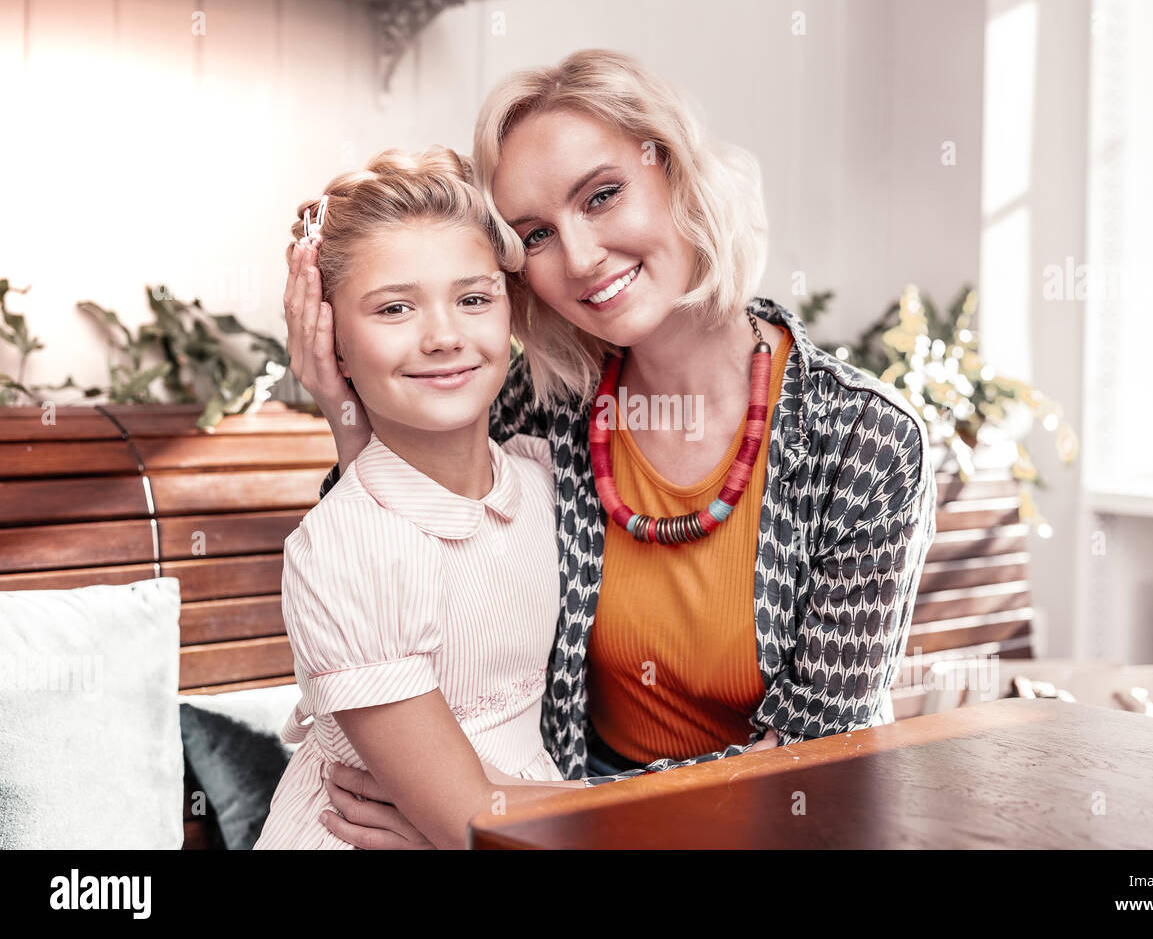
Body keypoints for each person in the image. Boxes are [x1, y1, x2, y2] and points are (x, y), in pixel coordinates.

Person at [289, 49, 937, 849]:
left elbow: (805, 774)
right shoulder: (541, 406)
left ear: (673, 168)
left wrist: (486, 820)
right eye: (537, 235)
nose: (583, 256)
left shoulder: (863, 443)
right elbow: (390, 568)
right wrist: (342, 403)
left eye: (602, 196)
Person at [255, 147, 584, 850]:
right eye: (395, 308)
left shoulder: (539, 477)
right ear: (330, 338)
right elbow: (471, 821)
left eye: (473, 298)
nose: (443, 338)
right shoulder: (346, 546)